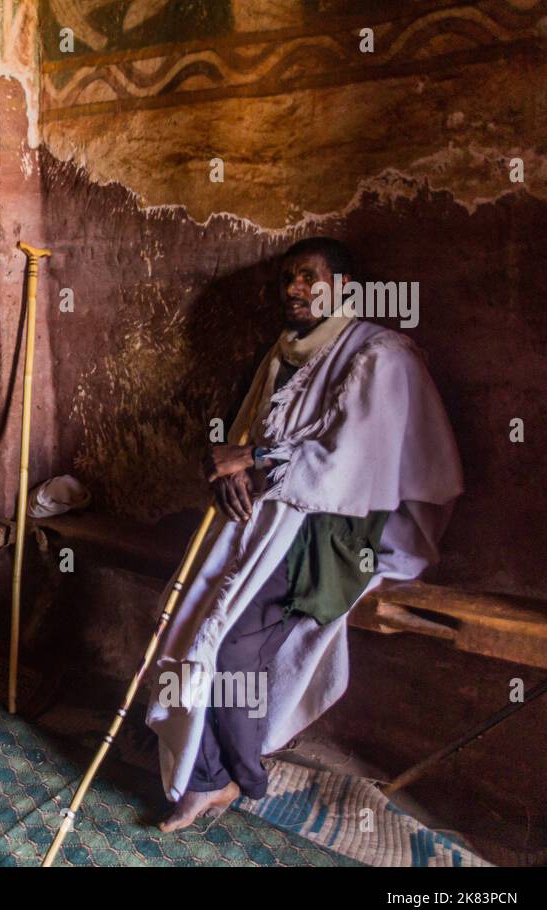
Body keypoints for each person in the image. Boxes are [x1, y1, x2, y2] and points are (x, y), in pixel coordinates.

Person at [147, 237, 463, 831]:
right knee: (180, 618)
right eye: (287, 279)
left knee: (234, 646)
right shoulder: (284, 354)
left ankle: (238, 775)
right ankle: (205, 765)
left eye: (308, 277)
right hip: (266, 522)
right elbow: (240, 446)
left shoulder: (382, 355)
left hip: (333, 537)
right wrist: (225, 475)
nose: (293, 289)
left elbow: (354, 465)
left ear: (342, 286)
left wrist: (254, 461)